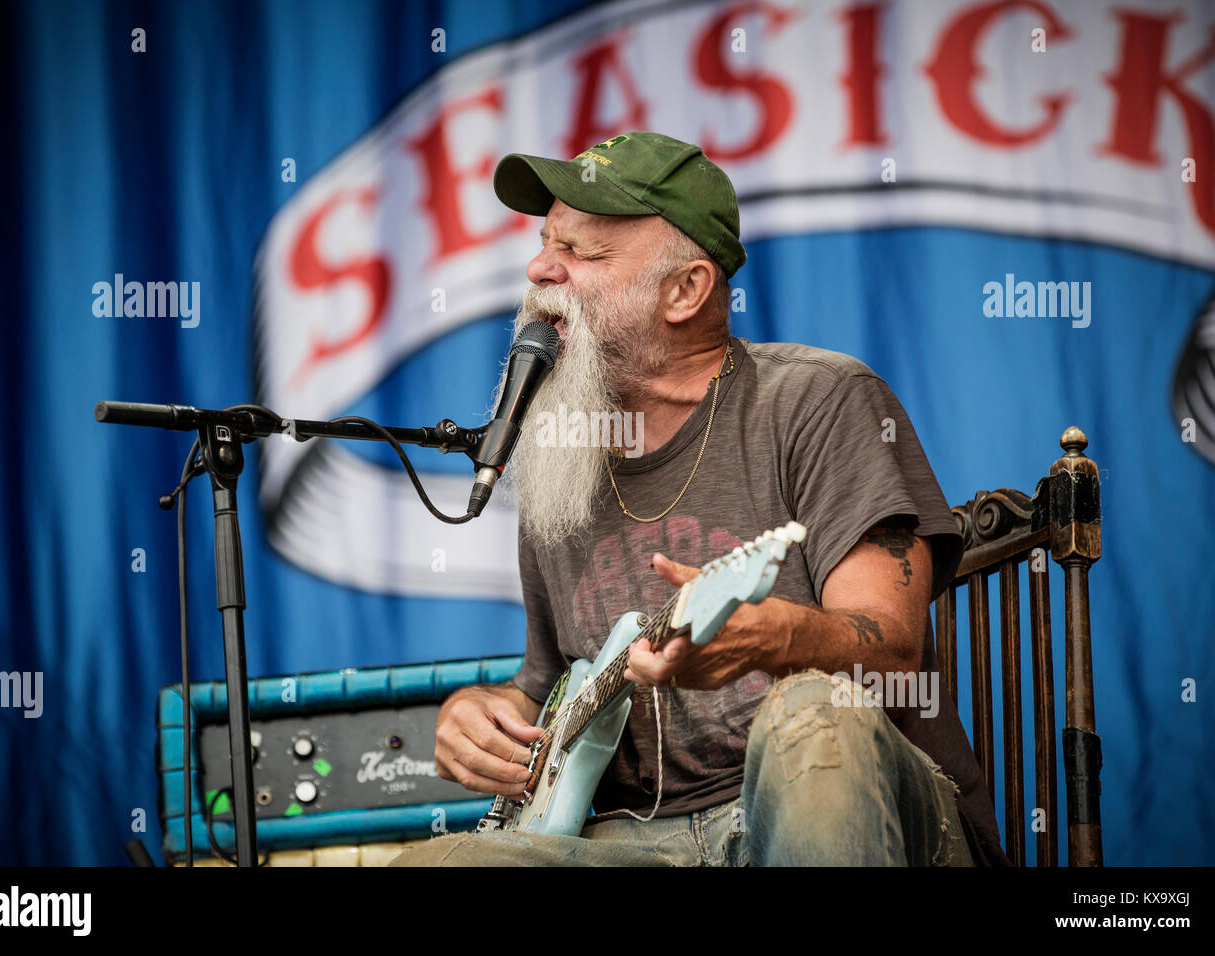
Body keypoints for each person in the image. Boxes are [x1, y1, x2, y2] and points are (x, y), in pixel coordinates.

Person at [390, 131, 1008, 866]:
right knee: (445, 863)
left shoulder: (818, 398)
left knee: (813, 715)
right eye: (546, 241)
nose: (539, 269)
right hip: (643, 844)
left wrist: (776, 639)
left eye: (583, 253)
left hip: (854, 816)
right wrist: (479, 713)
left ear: (686, 290)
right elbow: (549, 685)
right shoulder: (560, 447)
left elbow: (893, 648)